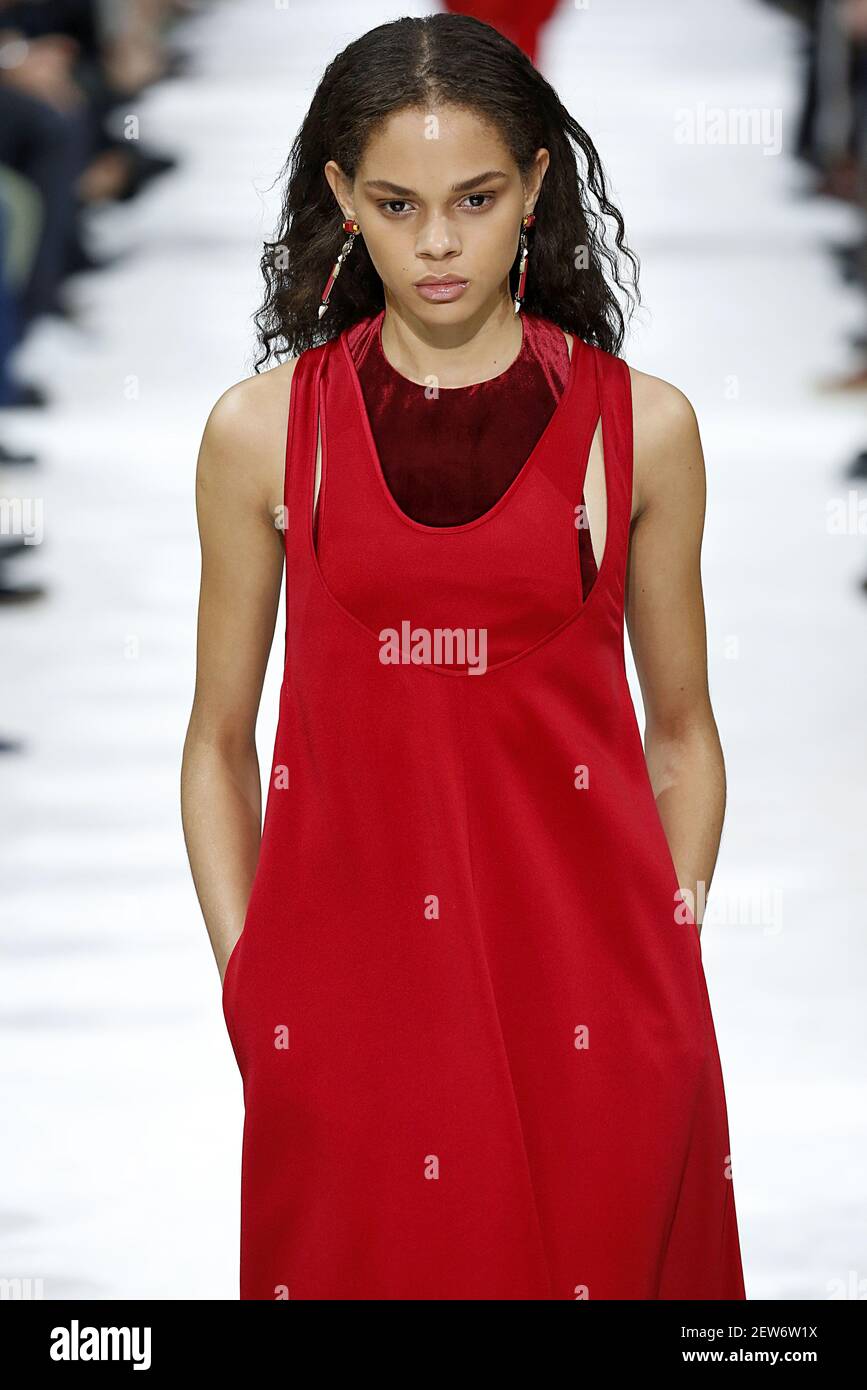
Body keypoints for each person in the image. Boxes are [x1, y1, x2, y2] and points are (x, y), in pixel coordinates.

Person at [181, 12, 747, 1301]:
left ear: (538, 185)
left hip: (595, 1000)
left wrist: (666, 948)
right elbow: (217, 738)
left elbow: (683, 731)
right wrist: (254, 981)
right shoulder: (261, 436)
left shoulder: (642, 429)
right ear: (342, 200)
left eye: (477, 198)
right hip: (350, 1009)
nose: (438, 243)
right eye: (397, 202)